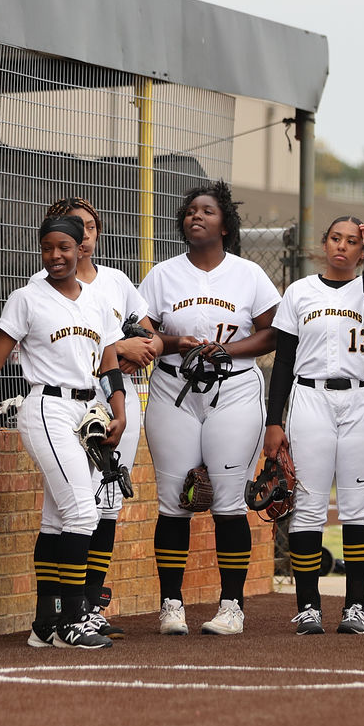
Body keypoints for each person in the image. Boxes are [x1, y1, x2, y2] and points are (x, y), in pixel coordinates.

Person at [0, 214, 128, 649]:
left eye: (64, 247)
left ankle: (45, 623)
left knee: (57, 520)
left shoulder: (98, 300)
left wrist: (119, 414)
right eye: (47, 247)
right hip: (47, 406)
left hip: (87, 410)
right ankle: (73, 619)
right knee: (83, 514)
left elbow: (109, 364)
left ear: (80, 248)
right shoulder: (27, 298)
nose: (55, 255)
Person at [138, 181, 279, 636]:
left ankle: (231, 606)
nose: (195, 216)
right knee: (173, 501)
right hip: (173, 388)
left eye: (207, 211)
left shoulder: (248, 274)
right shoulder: (162, 275)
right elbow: (142, 333)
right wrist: (172, 342)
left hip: (233, 389)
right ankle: (171, 605)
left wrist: (226, 350)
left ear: (225, 225)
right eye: (190, 211)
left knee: (228, 500)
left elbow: (272, 333)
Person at [37, 197, 160, 636]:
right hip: (71, 405)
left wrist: (140, 346)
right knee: (71, 508)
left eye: (90, 226)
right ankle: (58, 610)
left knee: (107, 505)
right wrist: (118, 348)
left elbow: (152, 338)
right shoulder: (42, 285)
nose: (84, 233)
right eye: (75, 225)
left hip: (118, 401)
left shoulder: (116, 281)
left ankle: (90, 604)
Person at [264, 216, 364, 635]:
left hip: (360, 399)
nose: (342, 246)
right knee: (309, 505)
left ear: (362, 250)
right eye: (336, 238)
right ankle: (308, 606)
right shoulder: (300, 291)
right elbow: (284, 360)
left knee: (359, 507)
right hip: (310, 398)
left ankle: (356, 607)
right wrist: (273, 421)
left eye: (352, 241)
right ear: (324, 244)